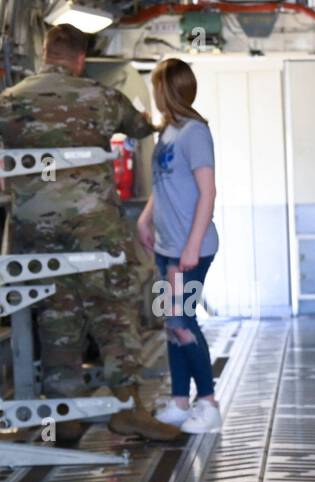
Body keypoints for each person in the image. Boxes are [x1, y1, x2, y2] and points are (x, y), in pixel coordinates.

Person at [0, 24, 182, 442]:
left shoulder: (9, 101)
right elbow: (142, 129)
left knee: (56, 320)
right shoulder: (100, 97)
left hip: (36, 240)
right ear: (81, 58)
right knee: (115, 316)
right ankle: (128, 409)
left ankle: (64, 417)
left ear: (46, 53)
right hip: (95, 236)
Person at [137, 58, 222, 434]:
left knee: (183, 322)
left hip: (192, 248)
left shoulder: (194, 133)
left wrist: (191, 247)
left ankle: (208, 404)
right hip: (168, 245)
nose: (155, 95)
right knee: (172, 324)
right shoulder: (167, 132)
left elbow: (208, 192)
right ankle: (179, 402)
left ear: (168, 89)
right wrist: (144, 217)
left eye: (157, 87)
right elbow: (163, 185)